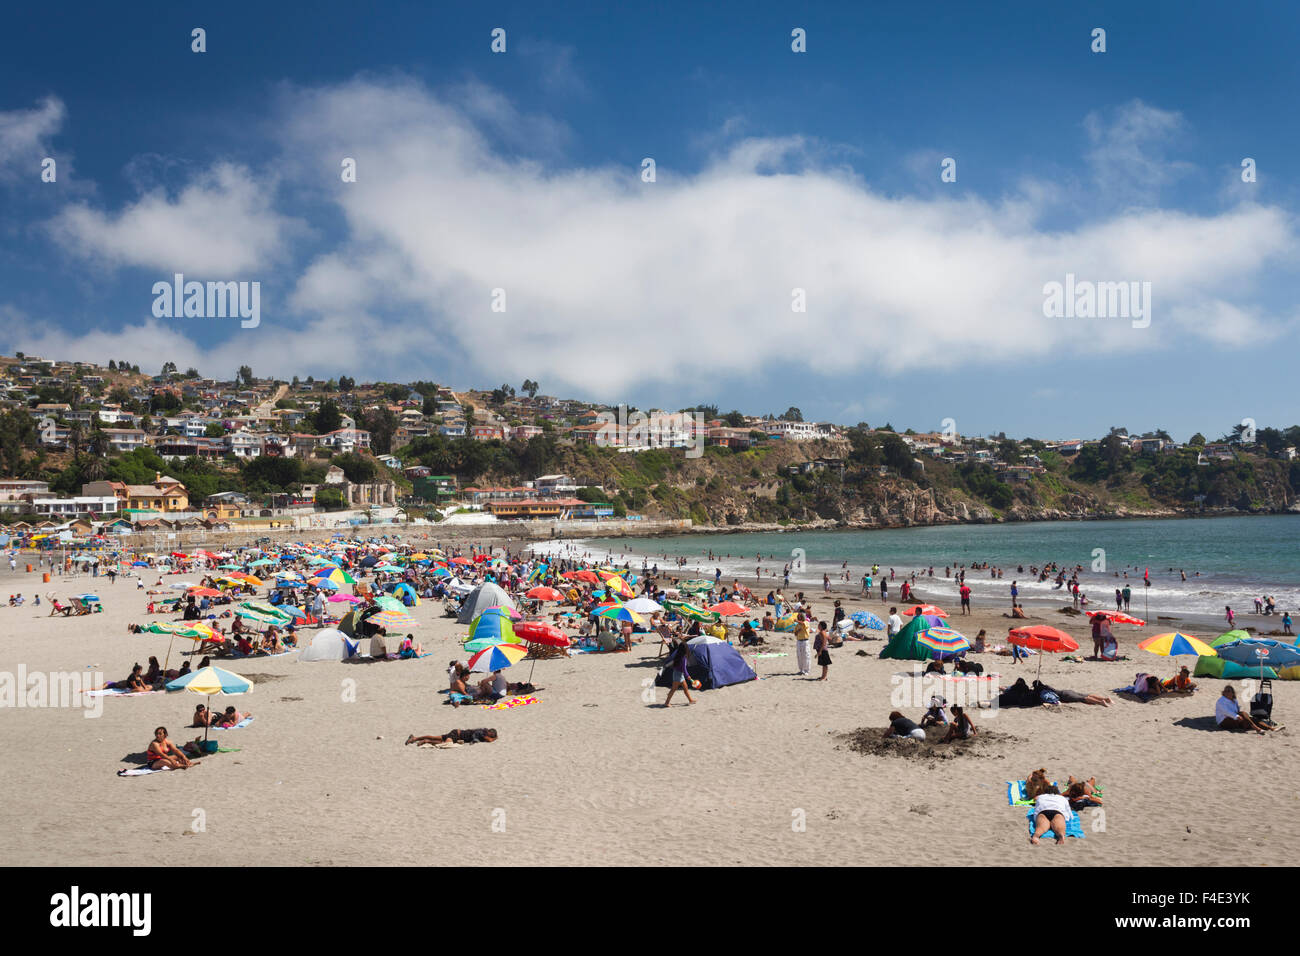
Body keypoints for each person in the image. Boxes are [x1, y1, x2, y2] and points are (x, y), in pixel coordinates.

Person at [662, 642, 695, 707]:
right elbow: (684, 669)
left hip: (679, 674)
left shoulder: (678, 655)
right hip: (678, 675)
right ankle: (667, 702)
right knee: (673, 689)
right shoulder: (683, 658)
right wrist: (688, 676)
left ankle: (690, 700)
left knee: (685, 688)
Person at [405, 728, 498, 746]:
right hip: (456, 735)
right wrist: (474, 741)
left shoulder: (484, 732)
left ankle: (414, 738)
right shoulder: (481, 733)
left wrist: (493, 738)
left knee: (435, 737)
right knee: (446, 743)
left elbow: (492, 738)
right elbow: (488, 740)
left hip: (456, 732)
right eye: (490, 735)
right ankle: (426, 741)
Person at [794, 612, 812, 677]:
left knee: (806, 655)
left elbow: (804, 625)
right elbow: (795, 633)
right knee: (799, 656)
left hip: (805, 641)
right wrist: (798, 631)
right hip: (799, 641)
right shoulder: (797, 625)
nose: (798, 618)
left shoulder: (806, 622)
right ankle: (801, 669)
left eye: (799, 617)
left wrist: (798, 621)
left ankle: (807, 670)